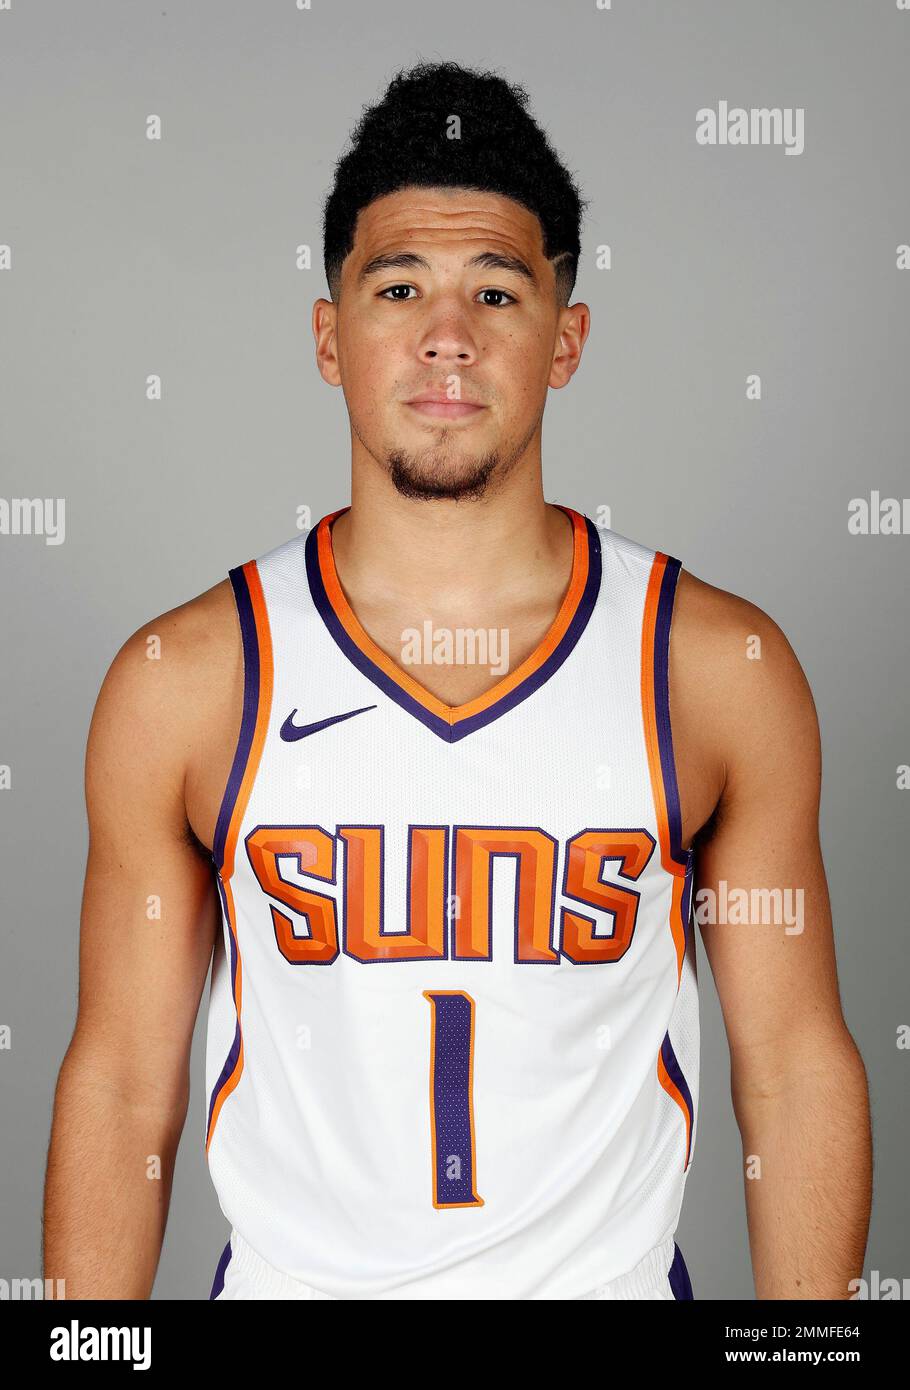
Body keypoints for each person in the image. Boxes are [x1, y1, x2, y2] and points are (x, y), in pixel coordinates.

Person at [44, 60, 871, 1300]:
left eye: (496, 288)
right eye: (397, 287)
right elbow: (119, 1084)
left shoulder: (711, 668)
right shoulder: (187, 680)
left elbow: (794, 1065)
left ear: (566, 338)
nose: (447, 334)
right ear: (330, 336)